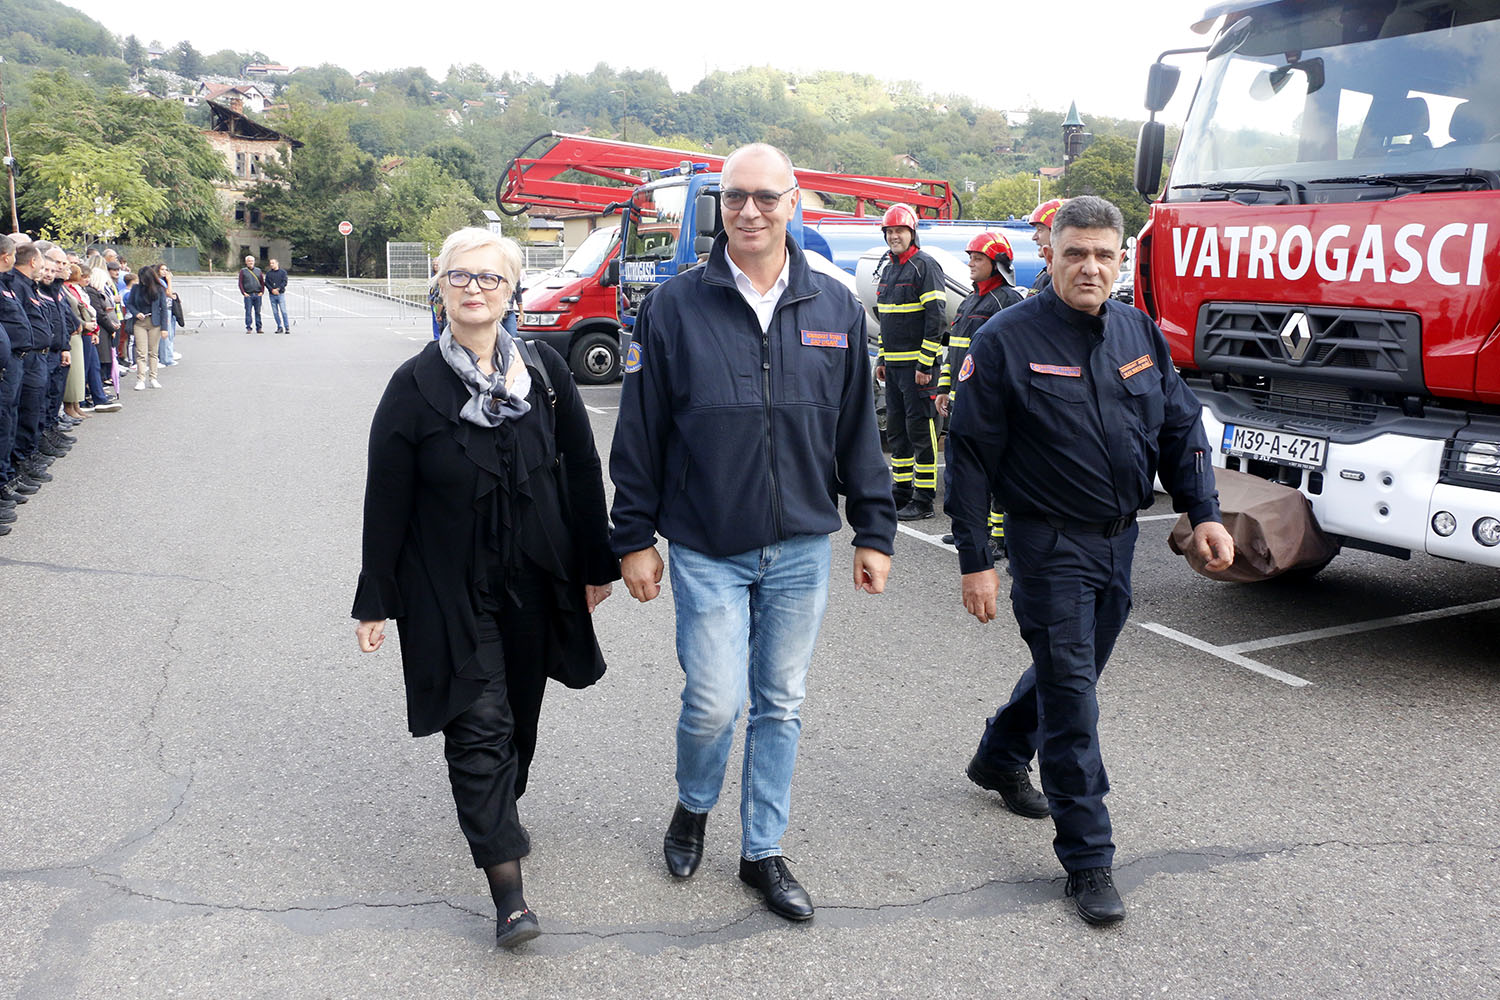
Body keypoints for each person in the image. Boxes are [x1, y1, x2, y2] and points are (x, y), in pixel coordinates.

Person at [608, 143, 897, 923]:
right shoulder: (674, 307)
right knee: (713, 701)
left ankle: (762, 850)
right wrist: (631, 538)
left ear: (794, 202)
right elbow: (640, 433)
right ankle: (694, 804)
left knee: (781, 703)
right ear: (720, 206)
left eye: (767, 197)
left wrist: (875, 530)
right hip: (707, 545)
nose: (751, 211)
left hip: (802, 548)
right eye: (736, 196)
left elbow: (858, 432)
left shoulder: (835, 307)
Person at [945, 196, 1236, 927]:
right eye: (1075, 252)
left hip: (1119, 541)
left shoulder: (1137, 330)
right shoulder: (1006, 340)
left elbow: (1180, 426)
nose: (1090, 267)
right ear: (1048, 254)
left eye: (1105, 254)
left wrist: (1204, 511)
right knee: (1074, 698)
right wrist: (976, 559)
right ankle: (1088, 858)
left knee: (1068, 672)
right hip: (1047, 545)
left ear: (1121, 258)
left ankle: (999, 755)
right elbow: (970, 457)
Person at [353, 228, 619, 949]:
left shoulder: (547, 374)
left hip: (535, 576)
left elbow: (579, 469)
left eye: (490, 278)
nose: (475, 289)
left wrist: (597, 562)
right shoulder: (413, 386)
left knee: (518, 722)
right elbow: (386, 499)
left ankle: (500, 799)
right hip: (445, 585)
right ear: (439, 288)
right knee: (478, 726)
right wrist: (376, 598)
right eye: (460, 277)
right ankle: (509, 897)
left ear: (512, 292)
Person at [935, 231, 1023, 556]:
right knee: (967, 472)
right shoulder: (970, 300)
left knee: (995, 470)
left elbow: (1013, 357)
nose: (971, 263)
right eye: (970, 257)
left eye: (978, 258)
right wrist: (944, 389)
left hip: (990, 405)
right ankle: (976, 529)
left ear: (996, 264)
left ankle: (1000, 537)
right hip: (962, 403)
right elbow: (954, 351)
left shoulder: (1007, 301)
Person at [873, 202, 946, 520]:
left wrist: (925, 364)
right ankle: (901, 491)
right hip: (894, 369)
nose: (894, 236)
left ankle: (924, 499)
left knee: (921, 431)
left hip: (918, 371)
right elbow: (886, 319)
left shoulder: (924, 266)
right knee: (897, 432)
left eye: (900, 231)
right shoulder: (888, 269)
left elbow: (936, 318)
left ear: (912, 233)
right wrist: (882, 357)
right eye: (889, 231)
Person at [126, 265, 170, 391]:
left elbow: (164, 309)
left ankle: (153, 378)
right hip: (139, 322)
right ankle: (140, 379)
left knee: (153, 352)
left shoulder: (159, 289)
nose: (142, 281)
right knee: (141, 352)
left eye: (144, 278)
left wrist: (164, 328)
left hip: (155, 322)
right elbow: (130, 303)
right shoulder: (136, 288)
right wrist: (136, 313)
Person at [1026, 199, 1063, 297]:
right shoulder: (1045, 277)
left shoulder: (1064, 282)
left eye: (1040, 230)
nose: (1034, 237)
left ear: (1057, 232)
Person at [239, 255, 266, 334]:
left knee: (258, 312)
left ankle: (259, 328)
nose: (250, 262)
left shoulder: (258, 270)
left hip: (257, 294)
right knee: (248, 312)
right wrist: (244, 293)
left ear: (254, 262)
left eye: (252, 261)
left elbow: (262, 282)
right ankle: (249, 328)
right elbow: (240, 283)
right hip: (248, 295)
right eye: (249, 261)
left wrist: (262, 292)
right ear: (246, 262)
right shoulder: (243, 271)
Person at [265, 258, 290, 333]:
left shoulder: (283, 272)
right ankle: (279, 326)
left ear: (277, 263)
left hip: (280, 294)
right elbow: (266, 283)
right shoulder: (269, 273)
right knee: (275, 312)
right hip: (272, 294)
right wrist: (272, 290)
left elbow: (284, 282)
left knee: (283, 311)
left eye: (273, 263)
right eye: (270, 263)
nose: (271, 265)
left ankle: (287, 327)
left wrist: (278, 289)